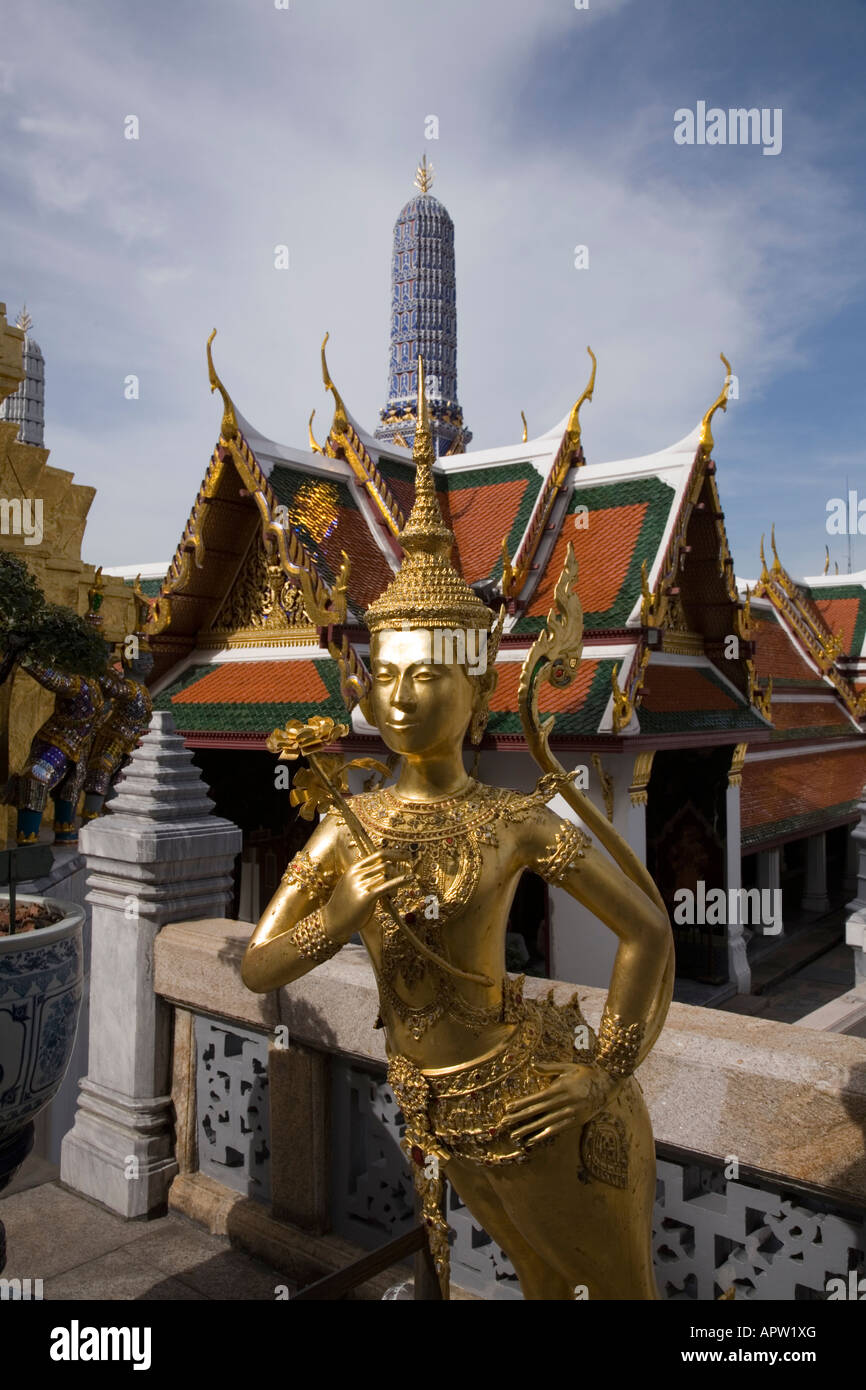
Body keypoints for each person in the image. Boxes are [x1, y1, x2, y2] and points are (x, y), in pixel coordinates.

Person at [242, 364, 673, 1300]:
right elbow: (259, 964)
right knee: (533, 1281)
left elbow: (648, 932)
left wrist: (604, 1072)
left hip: (540, 1105)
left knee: (602, 1293)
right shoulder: (348, 828)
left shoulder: (515, 821)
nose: (401, 697)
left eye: (429, 674)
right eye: (386, 676)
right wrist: (346, 906)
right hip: (436, 1109)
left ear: (478, 690)